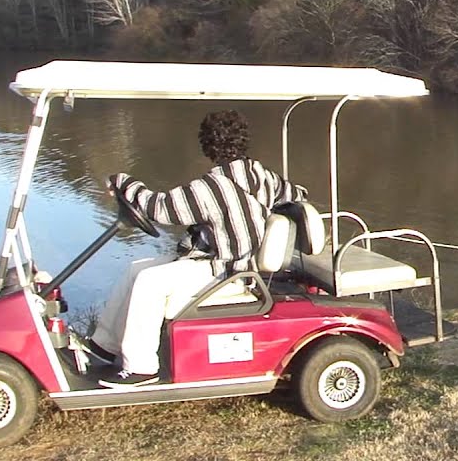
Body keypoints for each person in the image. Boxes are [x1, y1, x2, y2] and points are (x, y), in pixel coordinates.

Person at [89, 110, 308, 388]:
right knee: (137, 268)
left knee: (149, 281)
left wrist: (124, 182)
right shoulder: (262, 175)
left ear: (207, 146)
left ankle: (142, 367)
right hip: (227, 262)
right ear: (243, 142)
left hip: (224, 271)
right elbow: (296, 193)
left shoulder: (210, 188)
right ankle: (105, 344)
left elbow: (159, 208)